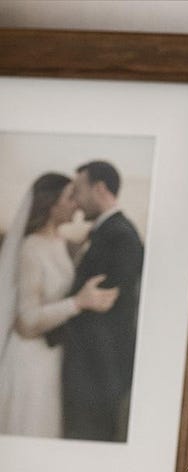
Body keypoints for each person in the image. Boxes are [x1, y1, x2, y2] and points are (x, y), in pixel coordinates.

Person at [0, 173, 119, 438]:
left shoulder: (62, 243)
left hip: (53, 359)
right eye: (70, 196)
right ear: (51, 204)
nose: (78, 202)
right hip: (30, 364)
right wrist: (78, 303)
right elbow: (26, 322)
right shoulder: (31, 248)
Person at [48, 161, 144, 442]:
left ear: (99, 188)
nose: (76, 201)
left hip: (98, 374)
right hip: (88, 371)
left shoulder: (121, 236)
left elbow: (106, 304)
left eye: (78, 190)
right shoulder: (103, 232)